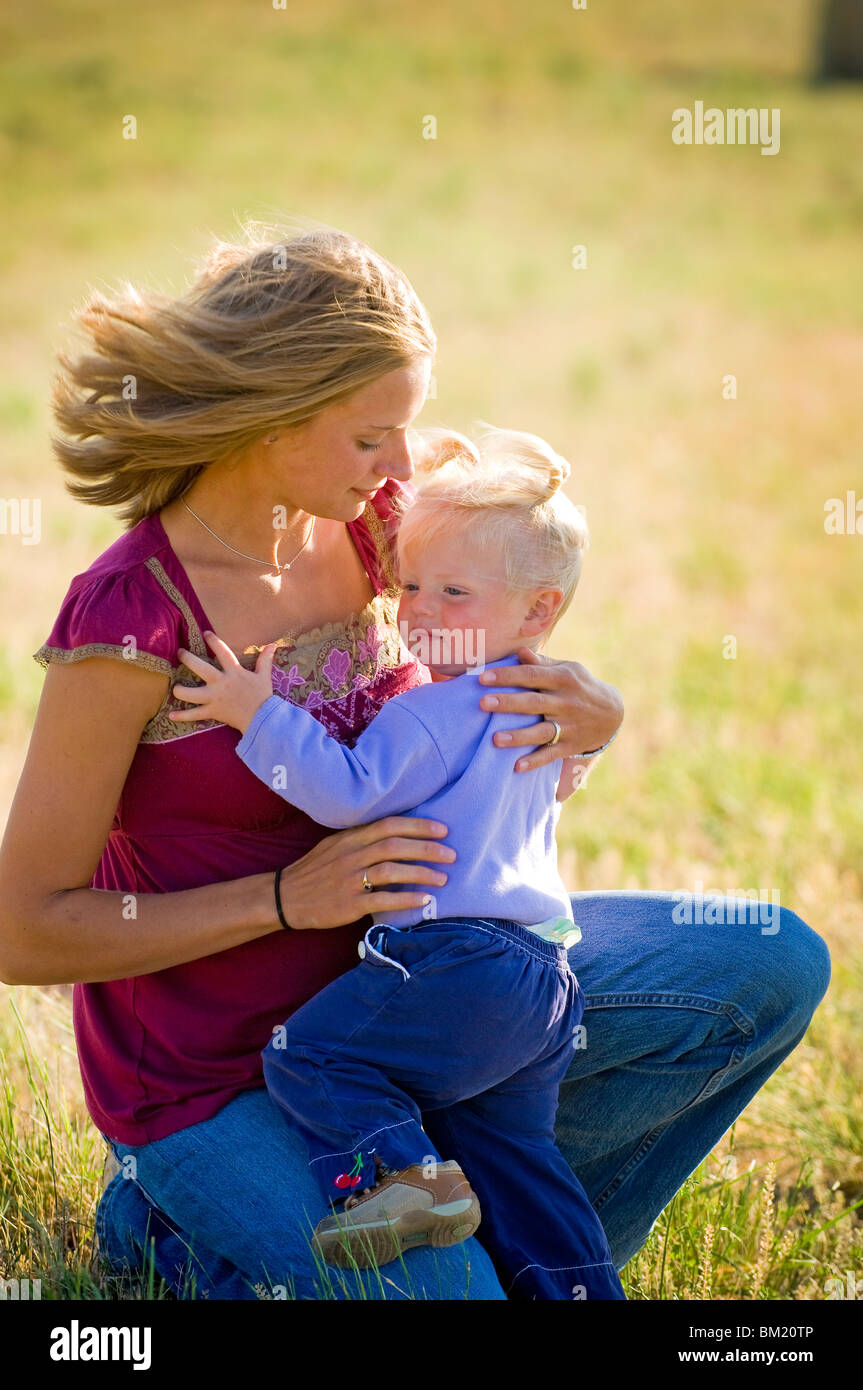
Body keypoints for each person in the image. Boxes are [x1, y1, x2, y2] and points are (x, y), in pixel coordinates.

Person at [0, 224, 830, 1301]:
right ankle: (176, 1225)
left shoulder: (382, 529)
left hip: (428, 992)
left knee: (766, 961)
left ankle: (494, 1242)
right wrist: (284, 899)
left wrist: (591, 716)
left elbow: (484, 691)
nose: (401, 463)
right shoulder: (132, 616)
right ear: (273, 415)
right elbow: (25, 929)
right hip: (223, 1078)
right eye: (370, 436)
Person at [169, 424, 626, 1300]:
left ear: (538, 611)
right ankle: (576, 1285)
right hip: (544, 972)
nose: (419, 610)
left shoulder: (429, 710)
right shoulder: (540, 713)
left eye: (453, 592)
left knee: (309, 1056)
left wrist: (252, 712)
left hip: (454, 956)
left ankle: (402, 1177)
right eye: (411, 584)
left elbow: (347, 794)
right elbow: (565, 781)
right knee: (515, 1153)